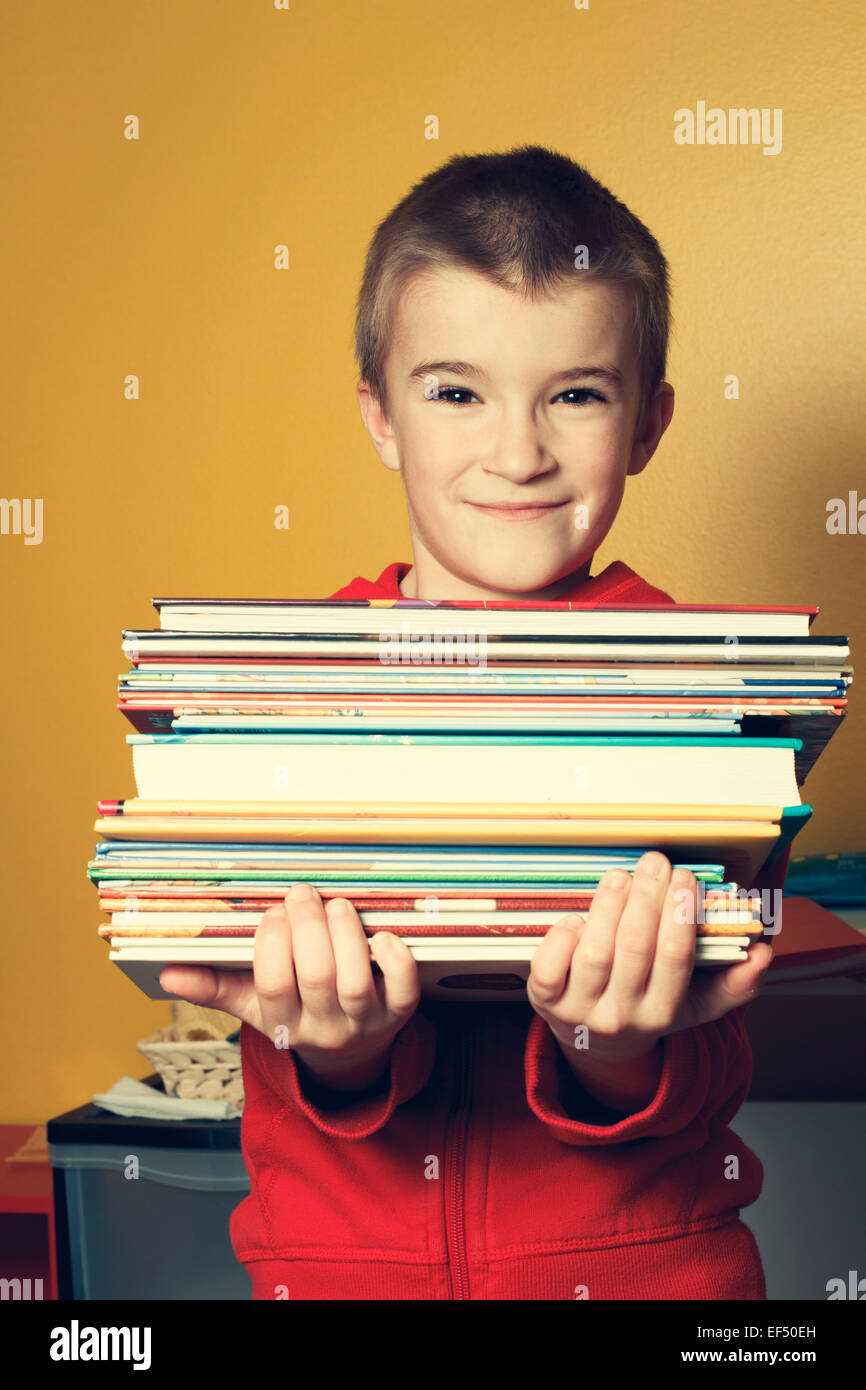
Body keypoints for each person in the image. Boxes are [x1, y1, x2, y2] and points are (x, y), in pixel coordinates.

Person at [160, 145, 786, 1300]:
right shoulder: (277, 693)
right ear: (380, 416)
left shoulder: (706, 690)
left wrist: (615, 1046)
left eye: (575, 394)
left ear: (645, 424)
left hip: (650, 1277)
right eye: (456, 391)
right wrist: (339, 1051)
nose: (516, 453)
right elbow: (270, 1019)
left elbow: (710, 1034)